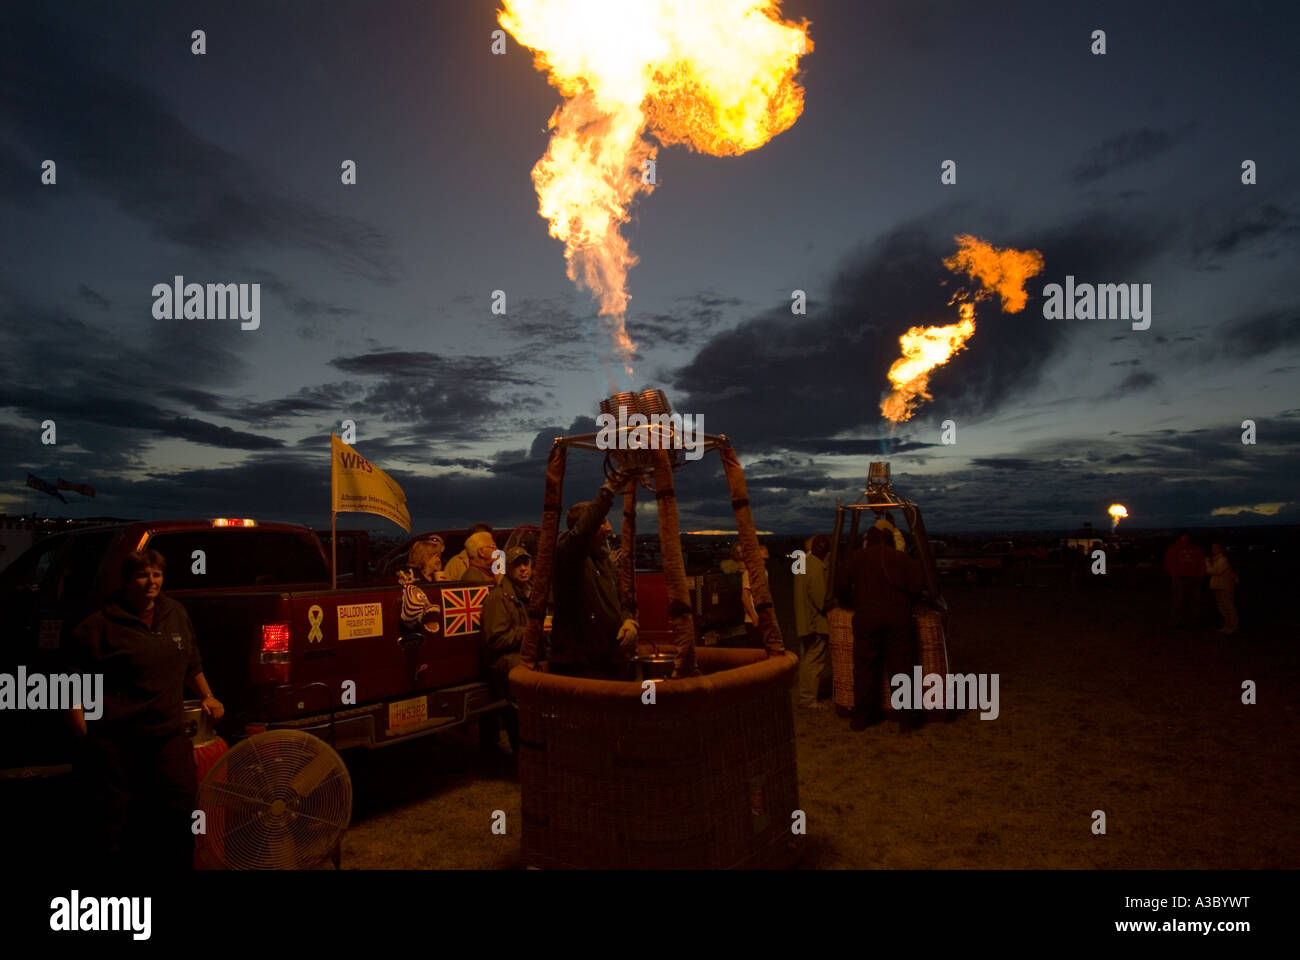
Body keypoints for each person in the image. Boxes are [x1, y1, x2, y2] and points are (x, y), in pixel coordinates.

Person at [70, 549, 224, 870]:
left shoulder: (175, 613)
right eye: (142, 575)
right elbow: (74, 686)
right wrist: (83, 732)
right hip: (119, 742)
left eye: (156, 574)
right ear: (126, 580)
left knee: (180, 810)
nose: (150, 582)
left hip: (169, 736)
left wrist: (208, 696)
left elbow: (191, 663)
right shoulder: (98, 626)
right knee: (118, 821)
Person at [548, 470, 638, 678]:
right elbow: (582, 533)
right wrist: (608, 490)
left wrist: (626, 620)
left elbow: (620, 600)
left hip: (609, 657)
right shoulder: (568, 556)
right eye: (603, 522)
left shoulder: (605, 562)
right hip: (580, 662)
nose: (609, 528)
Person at [847, 526, 926, 734]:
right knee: (902, 667)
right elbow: (918, 587)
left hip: (866, 617)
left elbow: (840, 586)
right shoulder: (902, 559)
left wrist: (853, 603)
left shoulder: (856, 558)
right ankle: (906, 719)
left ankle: (861, 718)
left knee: (864, 667)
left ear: (867, 540)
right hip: (898, 617)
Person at [478, 546, 531, 754]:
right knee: (517, 709)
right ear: (508, 569)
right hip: (503, 663)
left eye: (526, 563)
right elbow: (496, 640)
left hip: (523, 657)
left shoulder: (531, 592)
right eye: (517, 565)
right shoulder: (498, 598)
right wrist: (530, 632)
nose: (523, 569)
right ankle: (523, 755)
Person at [793, 534, 831, 709]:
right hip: (815, 622)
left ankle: (805, 694)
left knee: (807, 657)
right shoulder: (815, 567)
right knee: (814, 660)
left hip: (804, 619)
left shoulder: (801, 564)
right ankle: (808, 698)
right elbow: (821, 599)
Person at [397, 537, 445, 632]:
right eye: (434, 556)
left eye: (438, 556)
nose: (438, 559)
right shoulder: (410, 577)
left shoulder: (435, 576)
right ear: (423, 556)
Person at [1164, 533, 1206, 628]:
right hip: (1180, 579)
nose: (1185, 539)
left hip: (1194, 579)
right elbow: (1169, 563)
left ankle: (1193, 621)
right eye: (1184, 537)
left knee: (1194, 601)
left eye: (1187, 537)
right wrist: (1174, 575)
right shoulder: (1174, 548)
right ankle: (1176, 621)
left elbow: (1202, 562)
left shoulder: (1196, 549)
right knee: (1178, 600)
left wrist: (1200, 574)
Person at [1206, 543, 1239, 635]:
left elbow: (1216, 571)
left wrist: (1207, 564)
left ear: (1221, 549)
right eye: (1212, 548)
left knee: (1228, 606)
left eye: (1216, 548)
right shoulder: (1216, 560)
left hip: (1225, 586)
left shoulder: (1223, 560)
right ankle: (1227, 625)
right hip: (1218, 586)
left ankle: (1233, 626)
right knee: (1222, 607)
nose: (1213, 549)